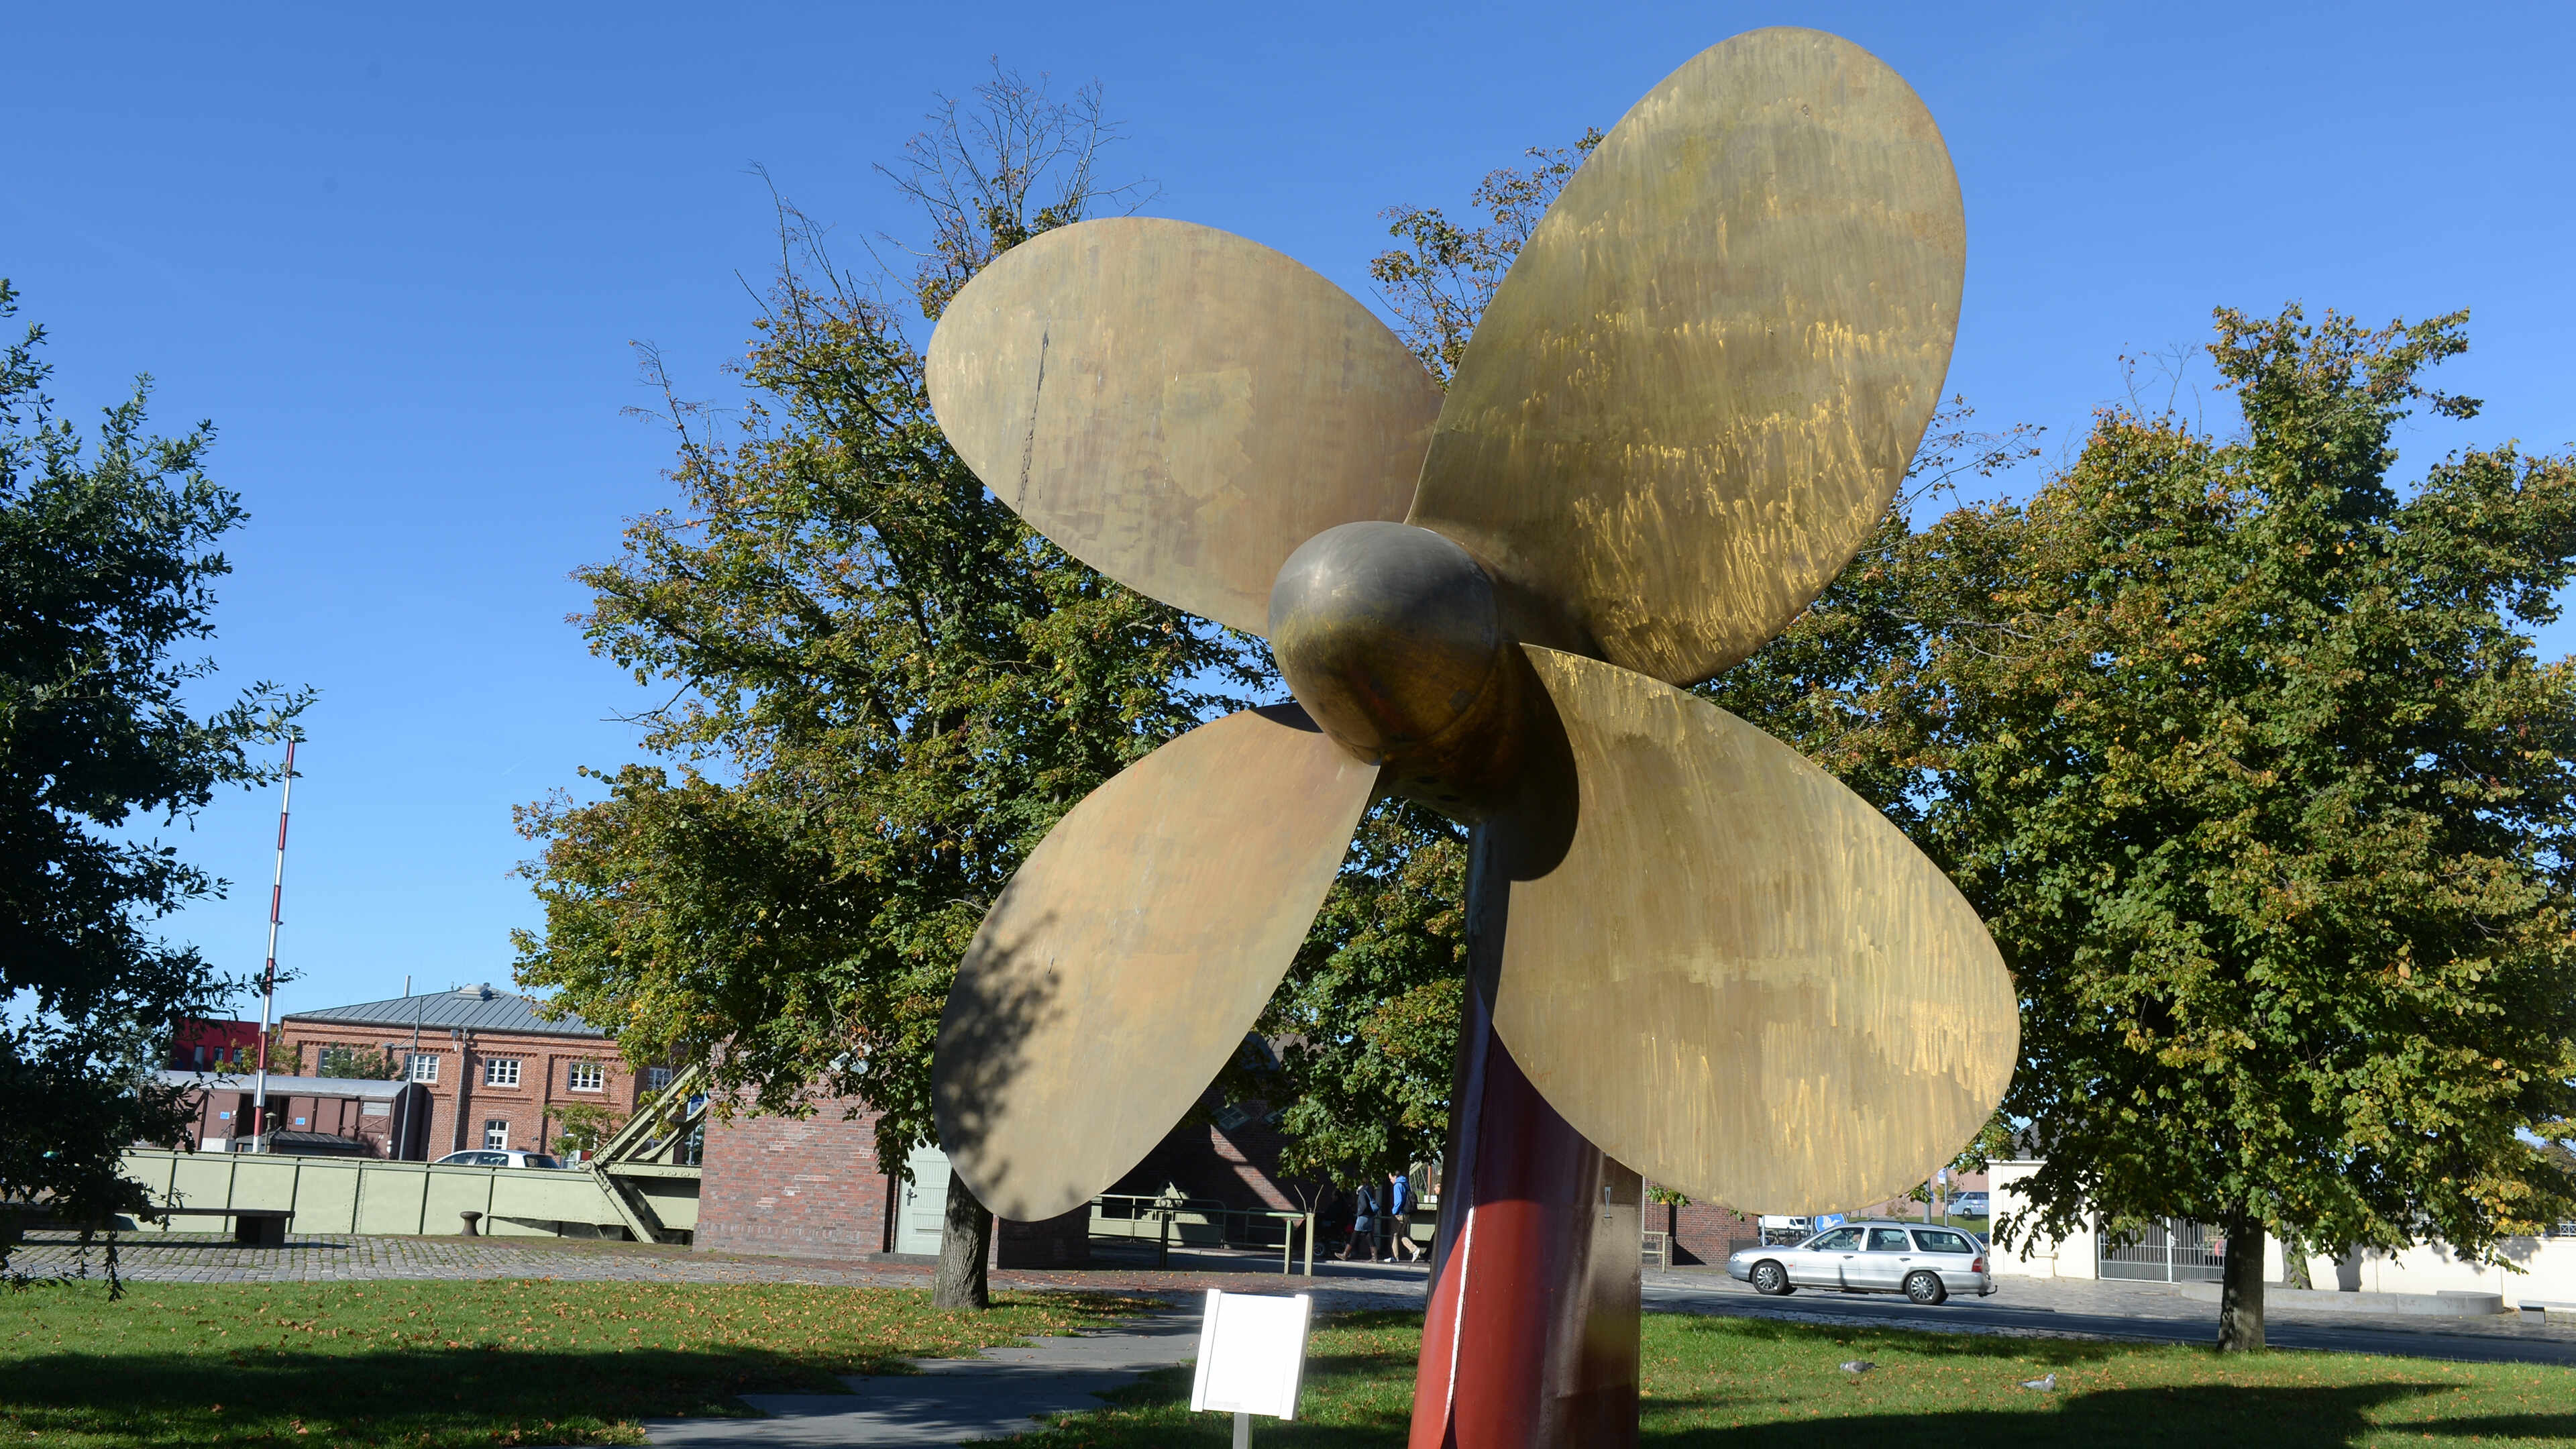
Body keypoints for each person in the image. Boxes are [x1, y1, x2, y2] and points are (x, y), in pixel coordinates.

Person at [1386, 1169, 1421, 1262]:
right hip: (1407, 1213)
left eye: (1391, 1179)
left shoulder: (1397, 1186)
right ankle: (1414, 1250)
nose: (1391, 1181)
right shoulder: (1405, 1183)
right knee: (1401, 1234)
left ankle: (1395, 1256)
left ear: (1395, 1177)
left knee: (1394, 1234)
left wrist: (1394, 1211)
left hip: (1400, 1213)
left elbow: (1399, 1201)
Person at [1340, 1181, 1381, 1261]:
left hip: (1363, 1217)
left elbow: (1364, 1205)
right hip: (1370, 1217)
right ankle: (1374, 1257)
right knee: (1369, 1236)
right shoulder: (1367, 1191)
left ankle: (1345, 1254)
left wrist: (1359, 1213)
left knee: (1355, 1235)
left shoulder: (1362, 1192)